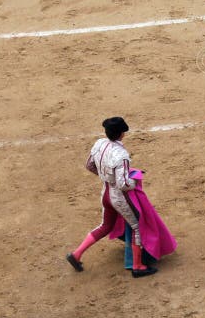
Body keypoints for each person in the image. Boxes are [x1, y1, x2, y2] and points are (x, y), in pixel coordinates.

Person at [65, 117, 157, 278]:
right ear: (122, 134)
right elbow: (124, 184)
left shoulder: (99, 143)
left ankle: (76, 254)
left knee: (105, 225)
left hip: (106, 193)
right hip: (119, 197)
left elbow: (89, 165)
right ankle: (138, 266)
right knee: (136, 226)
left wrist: (105, 177)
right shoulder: (122, 155)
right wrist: (135, 179)